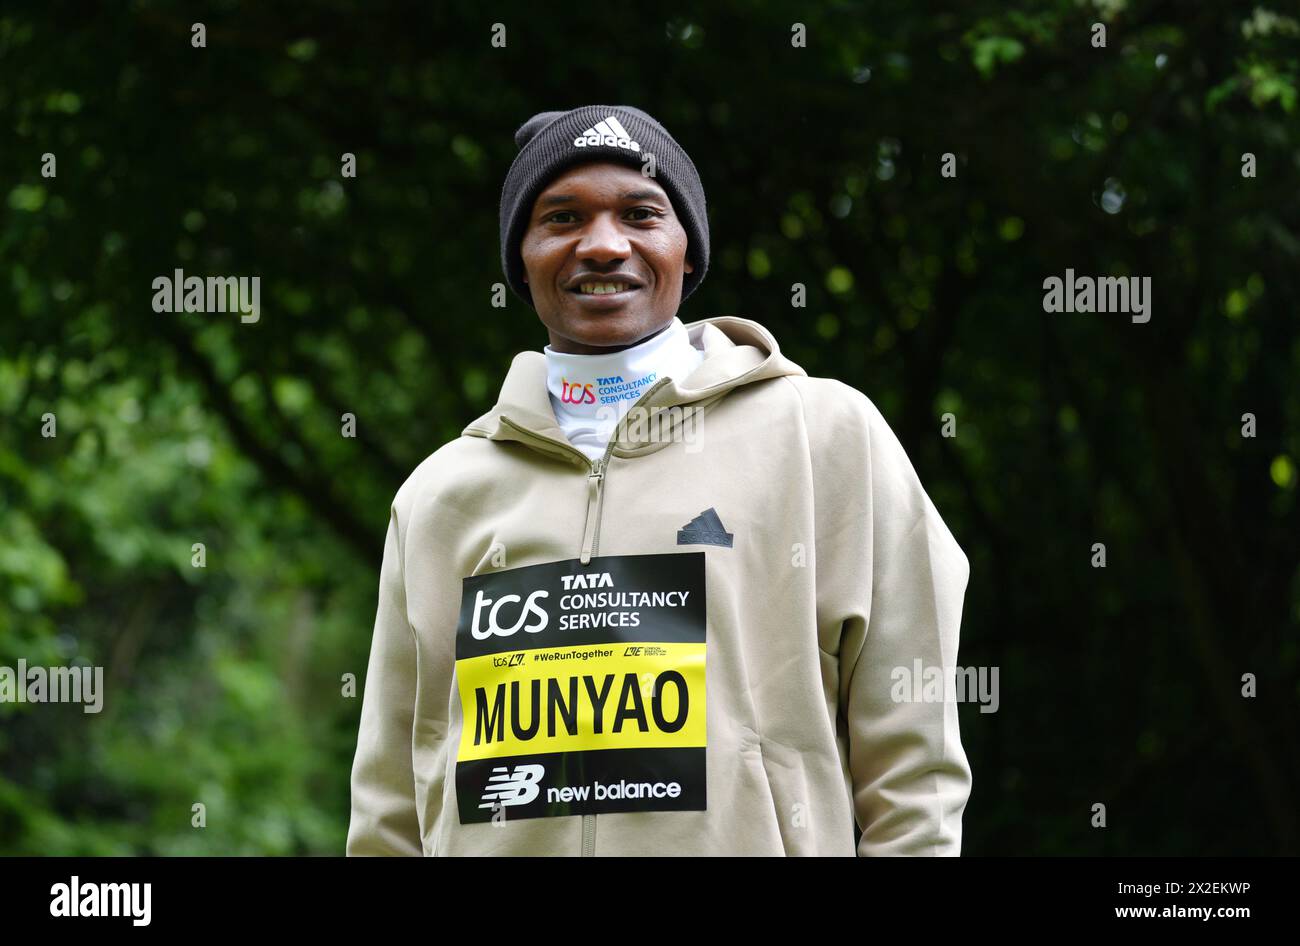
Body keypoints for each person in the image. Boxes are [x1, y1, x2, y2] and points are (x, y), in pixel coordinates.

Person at [346, 104, 973, 856]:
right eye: (562, 217)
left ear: (688, 251)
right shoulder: (439, 495)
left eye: (641, 213)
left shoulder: (824, 437)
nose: (604, 245)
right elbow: (388, 810)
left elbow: (917, 780)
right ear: (521, 258)